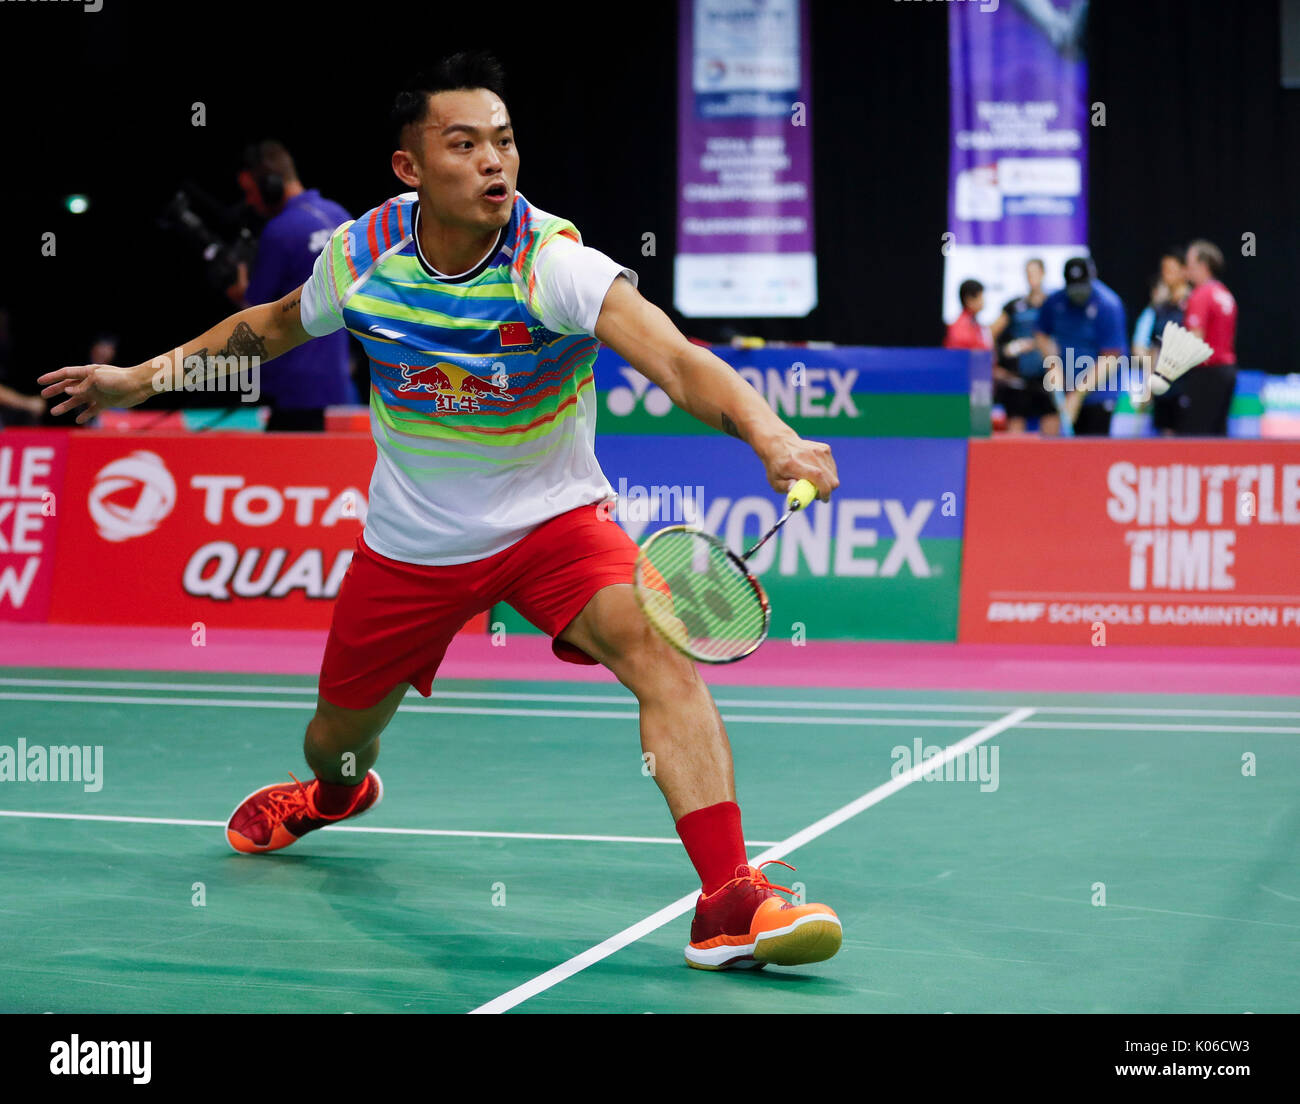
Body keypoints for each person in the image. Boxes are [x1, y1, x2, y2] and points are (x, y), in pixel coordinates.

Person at [38, 52, 843, 974]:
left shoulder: (555, 263)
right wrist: (135, 380)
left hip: (554, 526)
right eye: (464, 145)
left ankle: (729, 900)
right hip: (411, 548)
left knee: (659, 650)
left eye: (503, 141)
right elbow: (269, 325)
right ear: (410, 168)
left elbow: (676, 360)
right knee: (334, 739)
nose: (494, 162)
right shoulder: (363, 258)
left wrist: (768, 434)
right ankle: (336, 797)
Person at [227, 141, 358, 430]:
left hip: (292, 386)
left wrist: (239, 290)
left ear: (270, 185)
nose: (249, 201)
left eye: (250, 191)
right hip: (338, 381)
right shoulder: (340, 216)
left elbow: (253, 310)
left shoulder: (279, 231)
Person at [1035, 256, 1127, 436]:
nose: (1078, 292)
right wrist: (1052, 364)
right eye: (1073, 286)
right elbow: (1041, 334)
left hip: (1099, 394)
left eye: (1082, 286)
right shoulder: (1055, 302)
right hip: (1063, 391)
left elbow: (1110, 357)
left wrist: (1077, 395)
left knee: (1094, 454)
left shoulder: (1108, 305)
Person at [1175, 239, 1238, 435]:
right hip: (1227, 370)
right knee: (1218, 434)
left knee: (1196, 436)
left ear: (1203, 265)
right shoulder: (1224, 293)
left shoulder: (1201, 295)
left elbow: (1195, 340)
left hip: (1207, 374)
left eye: (1189, 263)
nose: (1186, 269)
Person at [991, 258, 1057, 435]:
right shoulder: (1015, 306)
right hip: (1019, 381)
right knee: (1015, 439)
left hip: (1047, 380)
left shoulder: (1055, 305)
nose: (1031, 278)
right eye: (1028, 274)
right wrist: (1001, 357)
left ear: (1043, 274)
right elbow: (989, 335)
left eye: (1035, 273)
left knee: (1051, 440)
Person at [944, 279, 991, 351]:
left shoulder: (974, 323)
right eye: (980, 297)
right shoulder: (960, 327)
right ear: (969, 300)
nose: (983, 301)